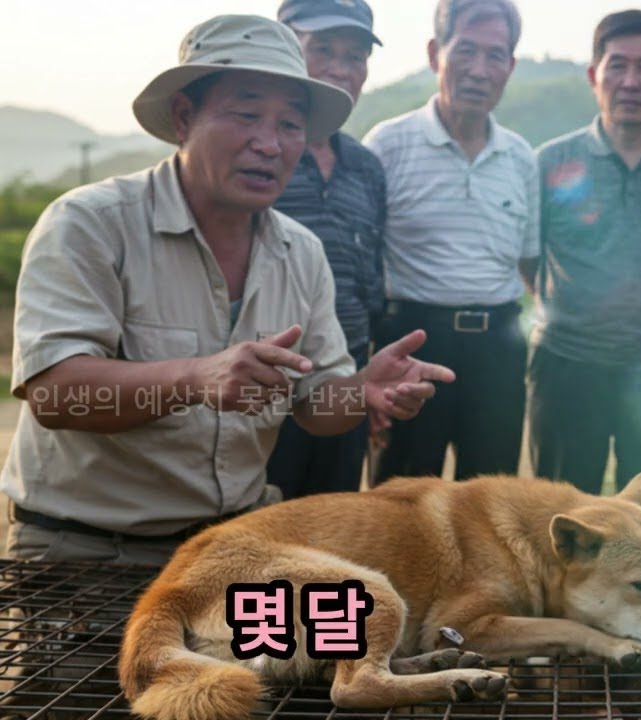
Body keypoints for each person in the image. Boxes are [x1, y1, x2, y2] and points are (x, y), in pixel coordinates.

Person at [0, 15, 454, 567]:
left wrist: (361, 392)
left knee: (328, 644)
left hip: (231, 551)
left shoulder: (301, 253)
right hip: (87, 550)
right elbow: (54, 394)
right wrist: (195, 378)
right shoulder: (90, 225)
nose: (269, 144)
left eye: (290, 125)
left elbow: (315, 407)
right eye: (246, 115)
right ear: (184, 116)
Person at [528, 10, 641, 537]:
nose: (630, 81)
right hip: (567, 366)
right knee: (559, 525)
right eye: (617, 66)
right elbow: (528, 260)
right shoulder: (550, 161)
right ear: (593, 76)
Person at [363, 0, 536, 483]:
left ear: (511, 66)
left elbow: (529, 263)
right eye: (466, 51)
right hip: (414, 340)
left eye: (495, 55)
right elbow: (364, 266)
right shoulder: (388, 146)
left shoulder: (521, 158)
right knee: (401, 504)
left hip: (500, 349)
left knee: (494, 506)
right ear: (436, 53)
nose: (480, 70)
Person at [266, 0, 387, 498]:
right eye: (323, 50)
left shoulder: (366, 166)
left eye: (355, 56)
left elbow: (371, 279)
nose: (341, 69)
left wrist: (368, 386)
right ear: (283, 48)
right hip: (266, 381)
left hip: (348, 379)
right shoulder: (254, 152)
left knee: (335, 529)